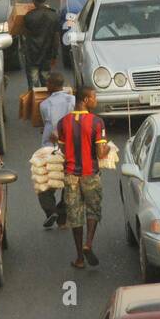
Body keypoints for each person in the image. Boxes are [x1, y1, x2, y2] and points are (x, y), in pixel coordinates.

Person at [54, 86, 110, 269]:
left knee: (75, 215)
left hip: (70, 176)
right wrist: (109, 148)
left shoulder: (63, 122)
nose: (96, 100)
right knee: (93, 210)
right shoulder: (96, 122)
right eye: (94, 97)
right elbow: (101, 154)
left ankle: (79, 257)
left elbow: (62, 150)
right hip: (90, 175)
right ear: (85, 100)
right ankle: (89, 244)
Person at [37, 71, 74, 228]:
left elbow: (46, 123)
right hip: (69, 146)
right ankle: (62, 217)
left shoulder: (44, 104)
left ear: (52, 85)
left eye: (47, 83)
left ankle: (51, 210)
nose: (46, 86)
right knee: (69, 184)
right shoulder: (72, 99)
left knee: (45, 184)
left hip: (50, 147)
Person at [22, 0, 61, 89]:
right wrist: (54, 55)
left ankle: (35, 104)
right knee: (47, 85)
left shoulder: (28, 17)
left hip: (32, 57)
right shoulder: (54, 16)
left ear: (34, 0)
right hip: (47, 56)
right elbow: (56, 38)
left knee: (34, 87)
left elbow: (25, 36)